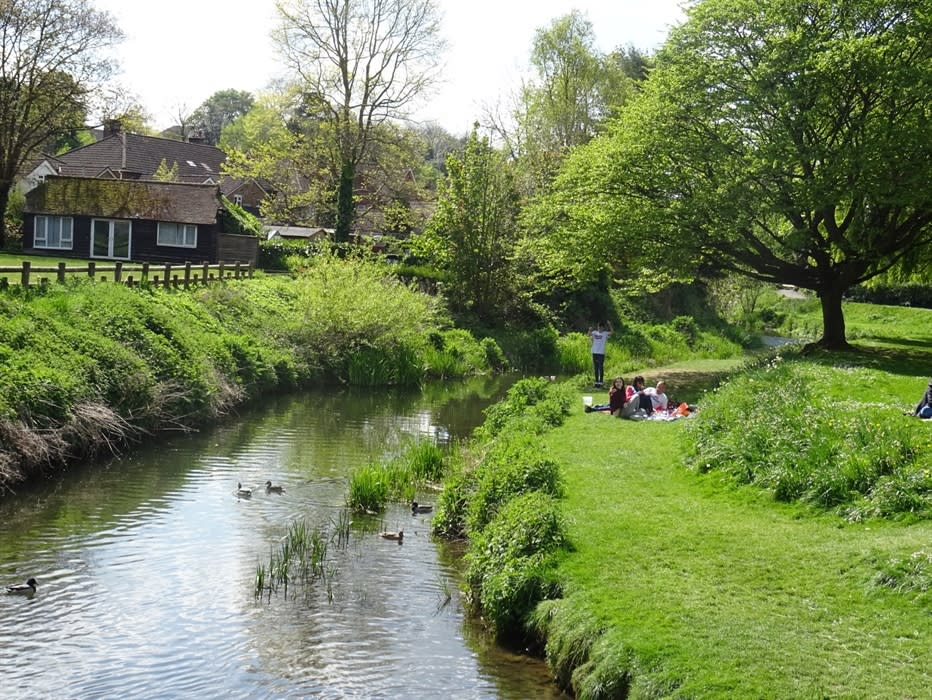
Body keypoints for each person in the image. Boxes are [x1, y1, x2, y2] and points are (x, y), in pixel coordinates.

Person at [588, 321, 613, 388]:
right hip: (594, 352)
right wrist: (589, 330)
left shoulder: (605, 333)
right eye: (599, 327)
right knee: (596, 367)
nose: (600, 329)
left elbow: (612, 333)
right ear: (598, 327)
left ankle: (601, 382)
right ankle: (596, 382)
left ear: (603, 328)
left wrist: (610, 325)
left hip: (601, 353)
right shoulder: (594, 332)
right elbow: (589, 335)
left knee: (600, 367)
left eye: (601, 328)